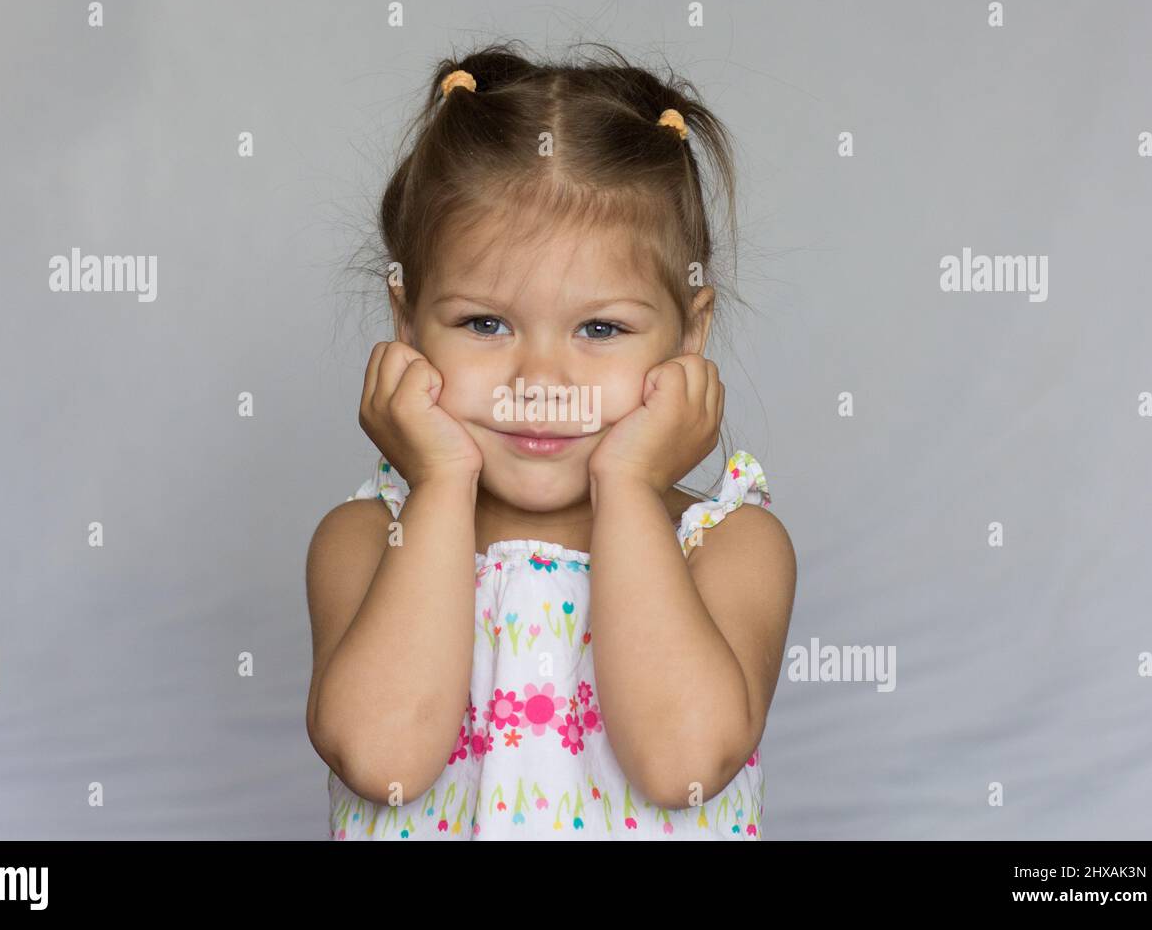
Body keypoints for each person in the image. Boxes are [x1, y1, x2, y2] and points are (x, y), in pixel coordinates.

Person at [306, 41, 797, 839]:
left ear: (688, 334)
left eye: (600, 327)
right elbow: (383, 761)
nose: (540, 377)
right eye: (484, 323)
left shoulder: (726, 546)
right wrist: (437, 489)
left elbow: (684, 765)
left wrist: (632, 489)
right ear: (407, 323)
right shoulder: (369, 539)